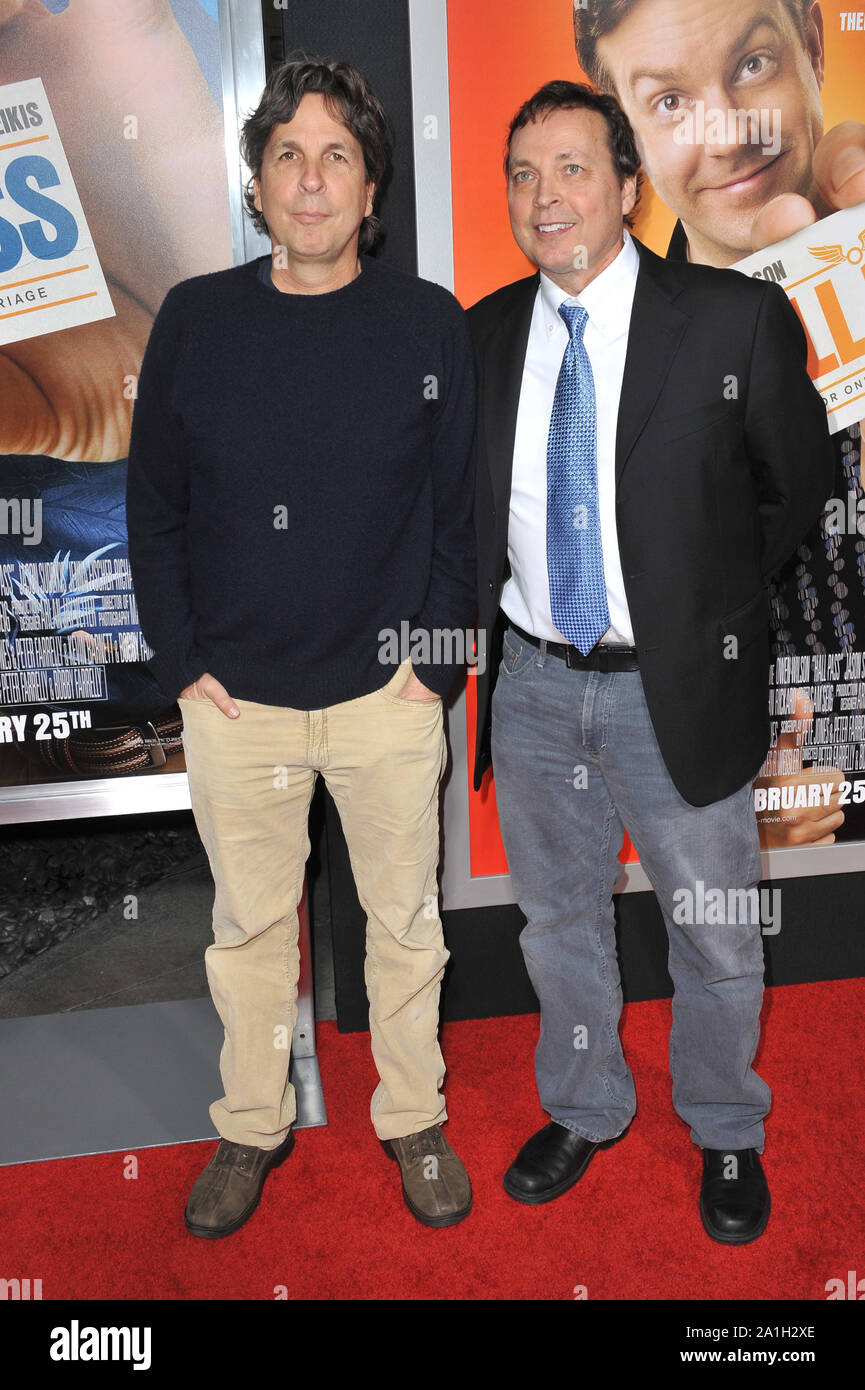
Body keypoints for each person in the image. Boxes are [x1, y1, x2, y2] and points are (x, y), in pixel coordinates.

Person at [470, 80, 834, 1243]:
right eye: (524, 175)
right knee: (557, 923)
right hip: (530, 684)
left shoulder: (731, 319)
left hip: (675, 684)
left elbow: (796, 493)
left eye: (572, 168)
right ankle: (584, 1104)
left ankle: (727, 1126)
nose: (545, 197)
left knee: (715, 926)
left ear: (628, 186)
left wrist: (705, 609)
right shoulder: (481, 336)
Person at [126, 57, 476, 1236]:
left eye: (337, 156)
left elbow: (460, 517)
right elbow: (154, 507)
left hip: (387, 696)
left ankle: (413, 1114)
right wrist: (181, 662)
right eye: (287, 155)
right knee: (248, 935)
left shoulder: (426, 322)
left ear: (371, 189)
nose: (311, 180)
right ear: (256, 185)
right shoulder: (194, 320)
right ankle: (249, 1124)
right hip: (239, 704)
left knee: (405, 926)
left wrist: (428, 670)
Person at [574, 0, 865, 847]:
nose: (729, 133)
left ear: (811, 46)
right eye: (668, 102)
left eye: (750, 65)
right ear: (626, 137)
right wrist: (730, 809)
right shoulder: (605, 358)